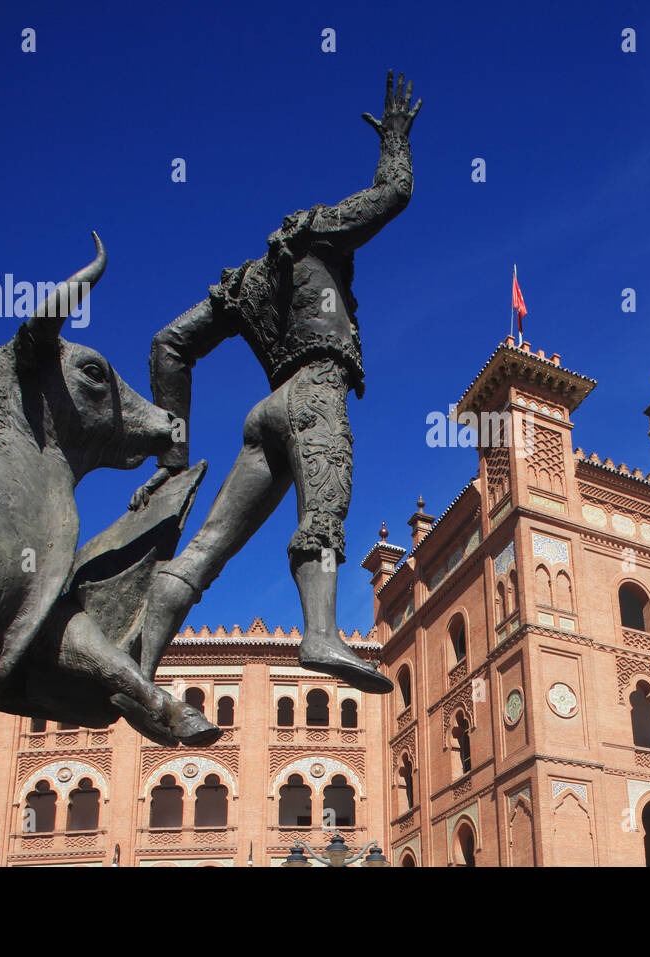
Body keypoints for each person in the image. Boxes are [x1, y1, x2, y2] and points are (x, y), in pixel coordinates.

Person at [129, 71, 422, 694]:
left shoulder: (243, 284)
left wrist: (172, 453)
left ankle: (142, 660)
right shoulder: (319, 234)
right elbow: (393, 193)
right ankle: (320, 632)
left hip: (265, 414)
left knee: (209, 545)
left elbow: (169, 345)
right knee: (323, 514)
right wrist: (395, 137)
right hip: (315, 394)